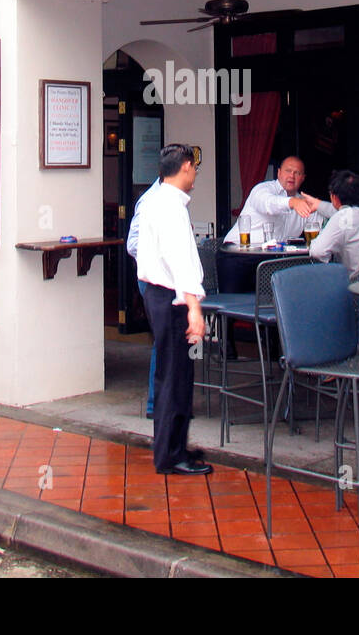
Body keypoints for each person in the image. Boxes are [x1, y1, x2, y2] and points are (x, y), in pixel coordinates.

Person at [135, 144, 211, 475]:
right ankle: (168, 455)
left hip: (163, 294)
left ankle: (176, 446)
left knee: (179, 372)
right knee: (173, 374)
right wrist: (193, 307)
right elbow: (178, 258)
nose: (195, 173)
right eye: (193, 167)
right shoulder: (168, 206)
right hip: (170, 298)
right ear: (183, 167)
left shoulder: (158, 200)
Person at [221, 155, 334, 245]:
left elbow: (321, 226)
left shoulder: (302, 202)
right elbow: (268, 203)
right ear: (279, 173)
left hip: (273, 258)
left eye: (297, 173)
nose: (291, 176)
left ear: (303, 178)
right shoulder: (262, 189)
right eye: (288, 171)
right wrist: (292, 202)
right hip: (237, 251)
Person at [126, 178, 160, 418]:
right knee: (164, 340)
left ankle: (171, 401)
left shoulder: (175, 200)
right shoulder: (152, 201)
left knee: (177, 343)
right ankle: (155, 404)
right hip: (156, 281)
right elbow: (133, 244)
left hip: (169, 283)